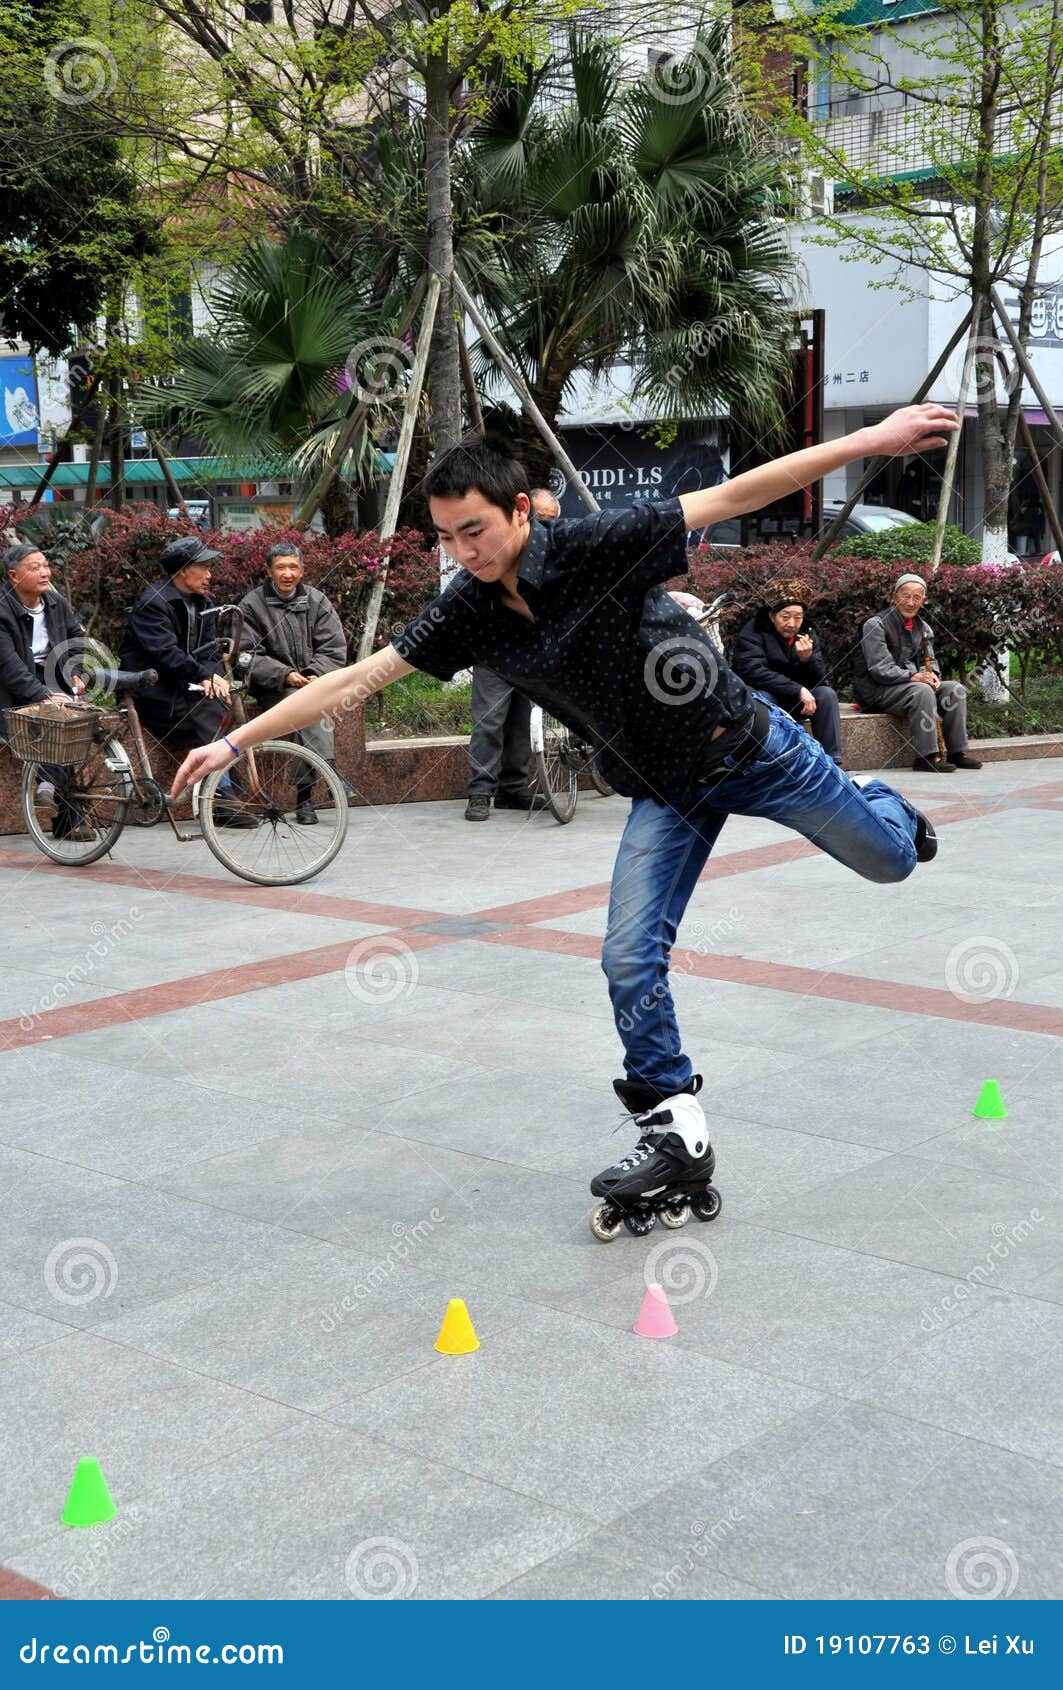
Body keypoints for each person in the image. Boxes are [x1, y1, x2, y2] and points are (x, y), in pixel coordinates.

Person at [172, 403, 958, 1235]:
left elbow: (732, 496)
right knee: (625, 957)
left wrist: (870, 441)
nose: (461, 553)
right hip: (664, 788)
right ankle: (672, 1126)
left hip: (750, 751)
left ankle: (886, 808)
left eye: (472, 531)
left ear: (517, 510)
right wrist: (236, 743)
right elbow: (359, 679)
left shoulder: (593, 546)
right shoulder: (466, 609)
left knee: (888, 860)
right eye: (445, 538)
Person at [120, 536, 257, 827]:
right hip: (152, 690)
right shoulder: (153, 603)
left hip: (185, 687)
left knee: (225, 702)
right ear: (183, 570)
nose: (210, 575)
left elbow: (209, 648)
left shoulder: (202, 602)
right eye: (204, 568)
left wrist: (212, 677)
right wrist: (202, 676)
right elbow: (165, 653)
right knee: (210, 712)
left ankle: (228, 788)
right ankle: (221, 799)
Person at [238, 542, 355, 825]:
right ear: (268, 571)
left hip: (313, 683)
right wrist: (284, 674)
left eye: (293, 567)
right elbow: (244, 655)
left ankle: (307, 799)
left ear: (302, 570)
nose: (287, 573)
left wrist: (315, 673)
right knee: (303, 708)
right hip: (272, 686)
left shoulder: (317, 601)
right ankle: (322, 780)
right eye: (281, 567)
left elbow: (334, 647)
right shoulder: (251, 605)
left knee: (309, 706)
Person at [463, 488, 557, 822]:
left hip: (531, 654)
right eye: (542, 520)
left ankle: (513, 789)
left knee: (521, 723)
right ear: (525, 514)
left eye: (553, 521)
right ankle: (479, 792)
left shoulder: (555, 554)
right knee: (488, 721)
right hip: (495, 650)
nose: (548, 527)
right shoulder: (499, 550)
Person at [0, 542, 92, 840]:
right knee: (52, 723)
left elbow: (76, 637)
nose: (44, 572)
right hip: (9, 689)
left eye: (45, 565)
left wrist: (77, 672)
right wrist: (43, 696)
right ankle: (67, 814)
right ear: (13, 576)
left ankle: (49, 787)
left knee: (73, 725)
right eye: (34, 567)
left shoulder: (54, 602)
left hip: (52, 678)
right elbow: (8, 666)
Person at [852, 572, 982, 774]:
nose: (910, 602)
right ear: (894, 597)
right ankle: (926, 756)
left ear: (924, 600)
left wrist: (932, 675)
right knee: (922, 691)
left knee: (954, 690)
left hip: (910, 686)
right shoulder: (876, 624)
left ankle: (957, 752)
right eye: (905, 596)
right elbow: (880, 669)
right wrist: (914, 676)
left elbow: (930, 661)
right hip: (877, 690)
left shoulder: (924, 628)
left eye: (917, 597)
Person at [731, 577, 843, 765]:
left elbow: (819, 679)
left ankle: (832, 761)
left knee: (826, 694)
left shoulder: (807, 632)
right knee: (764, 698)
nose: (792, 623)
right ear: (772, 616)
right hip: (764, 697)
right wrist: (796, 689)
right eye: (785, 616)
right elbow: (753, 672)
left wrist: (807, 660)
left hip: (796, 701)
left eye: (797, 617)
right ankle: (768, 761)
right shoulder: (753, 632)